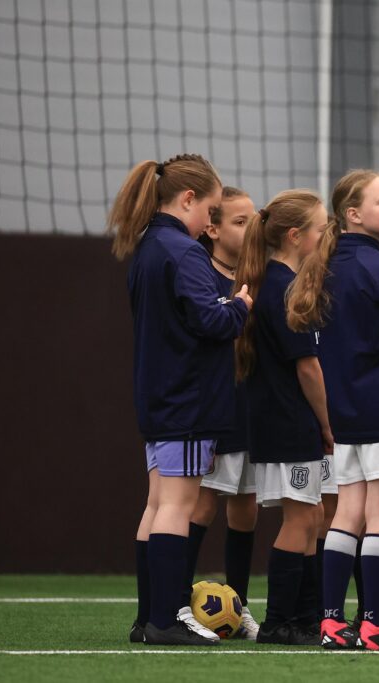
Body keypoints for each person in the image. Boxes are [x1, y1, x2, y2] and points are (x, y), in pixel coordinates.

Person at [287, 170, 379, 653]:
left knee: (347, 513)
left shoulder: (324, 269)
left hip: (346, 415)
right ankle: (375, 626)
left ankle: (332, 623)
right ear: (353, 214)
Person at [108, 154, 251, 646]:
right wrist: (240, 307)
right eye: (210, 211)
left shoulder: (147, 247)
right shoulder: (185, 252)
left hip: (157, 397)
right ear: (188, 199)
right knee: (176, 505)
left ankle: (147, 619)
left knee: (156, 504)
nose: (209, 222)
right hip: (187, 399)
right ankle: (167, 618)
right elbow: (210, 321)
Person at [234, 189, 333, 645]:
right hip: (289, 423)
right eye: (320, 229)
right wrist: (327, 424)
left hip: (277, 421)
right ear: (295, 236)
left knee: (312, 515)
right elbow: (307, 367)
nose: (324, 236)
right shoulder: (285, 289)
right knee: (300, 519)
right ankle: (278, 622)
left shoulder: (269, 282)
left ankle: (306, 618)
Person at [180, 186, 261, 640]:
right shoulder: (201, 277)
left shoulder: (258, 275)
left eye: (254, 221)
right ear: (212, 229)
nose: (250, 230)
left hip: (251, 406)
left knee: (245, 505)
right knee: (203, 502)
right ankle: (176, 601)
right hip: (215, 407)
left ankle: (238, 603)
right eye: (239, 222)